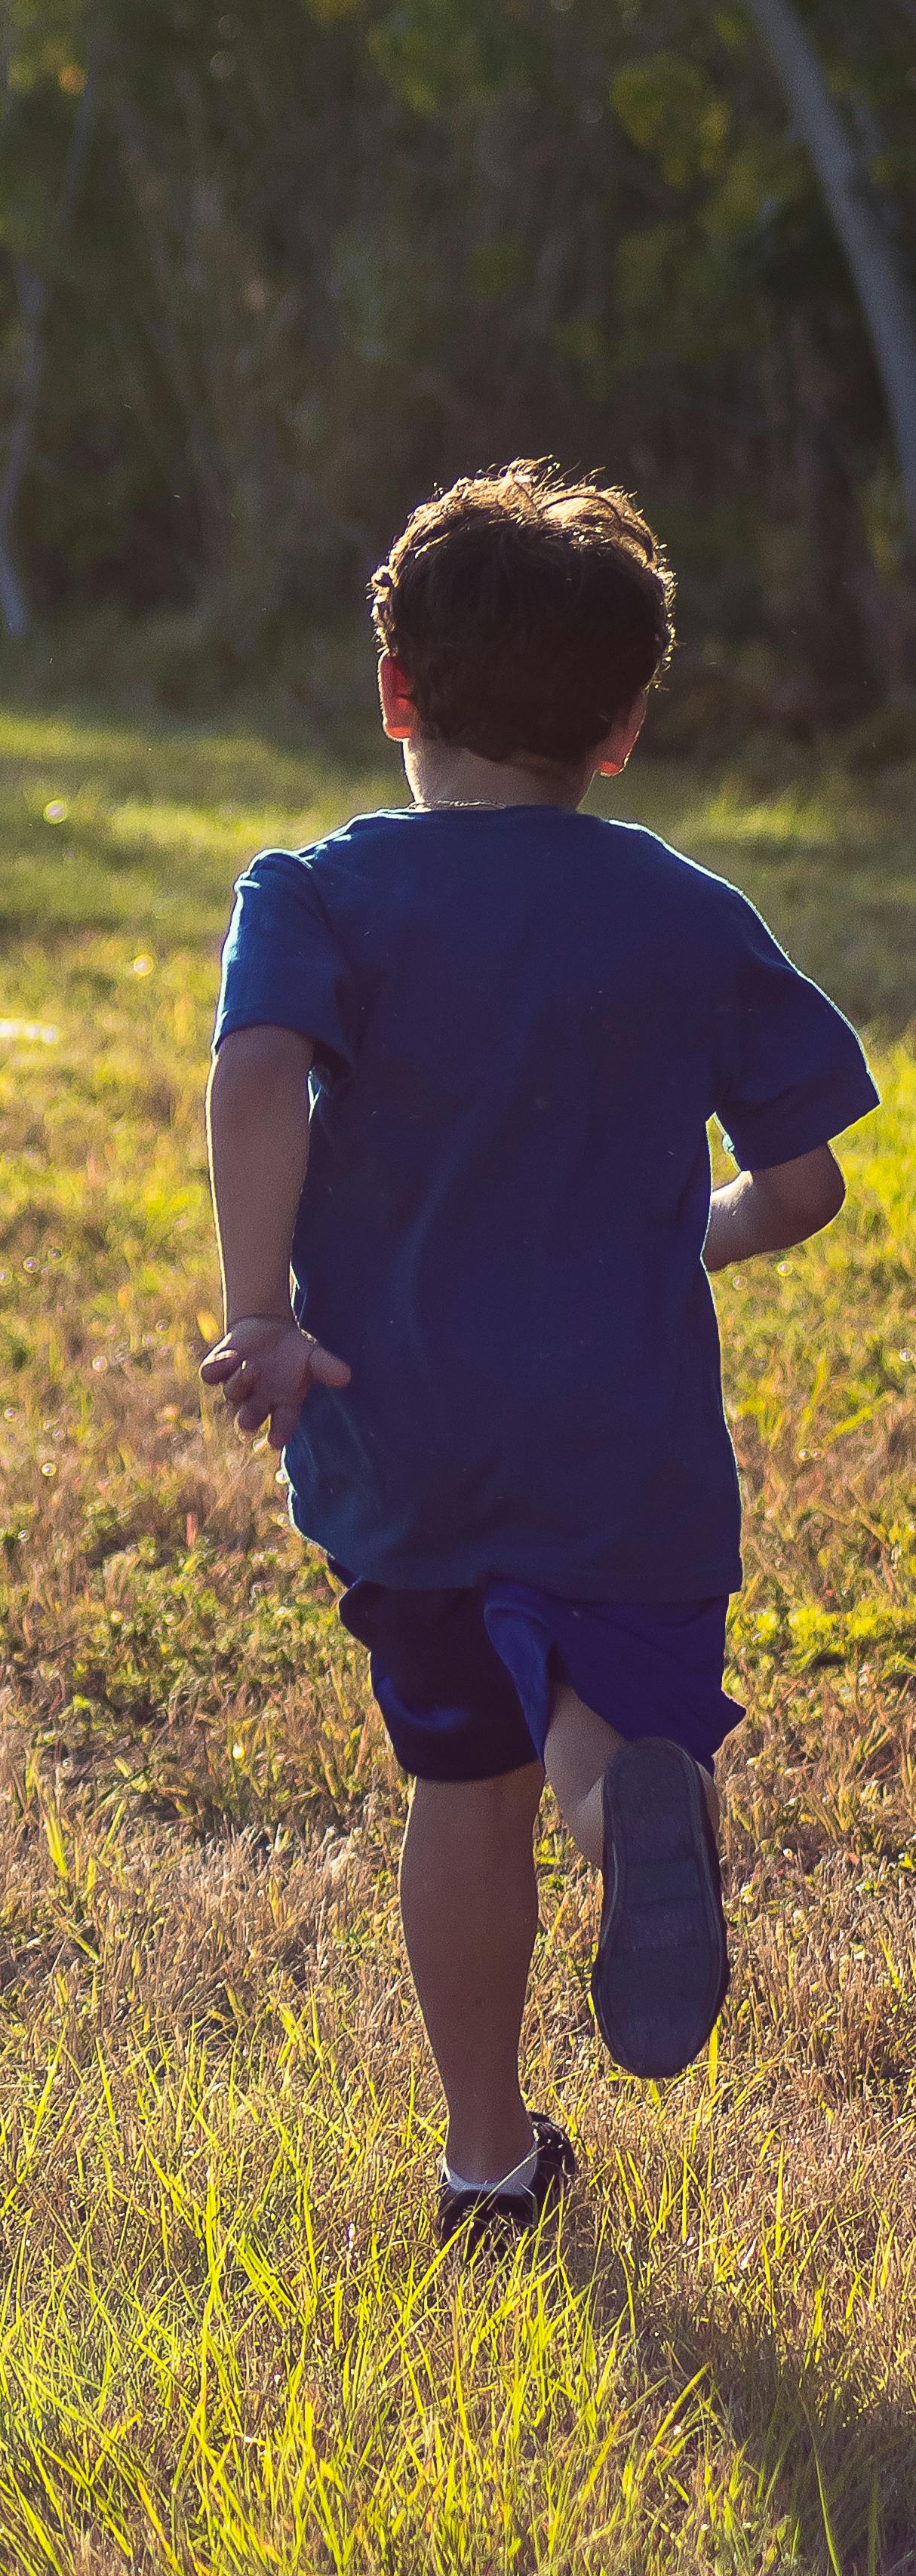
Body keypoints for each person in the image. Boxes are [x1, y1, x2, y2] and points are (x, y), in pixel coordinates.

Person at [202, 462, 874, 2245]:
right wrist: (693, 1233)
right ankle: (619, 1799)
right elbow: (802, 1180)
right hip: (622, 1440)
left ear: (391, 692)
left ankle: (487, 2161)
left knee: (456, 1782)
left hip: (404, 1430)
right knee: (594, 1727)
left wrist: (259, 1309)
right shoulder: (684, 912)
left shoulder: (317, 892)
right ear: (621, 727)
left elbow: (255, 1072)